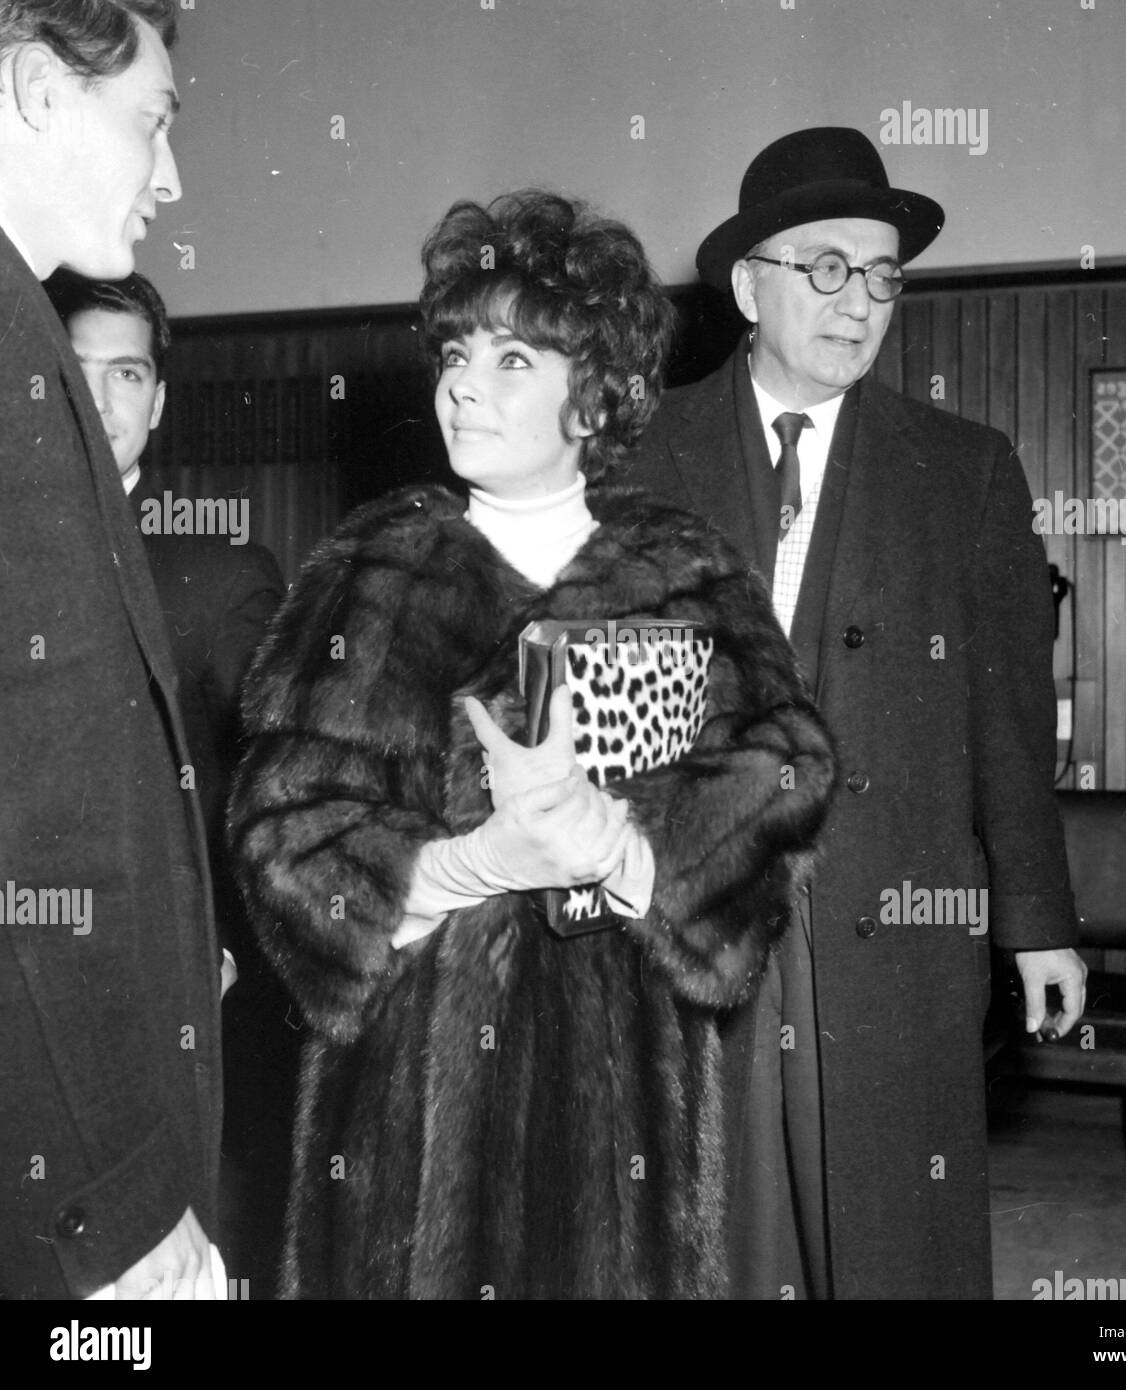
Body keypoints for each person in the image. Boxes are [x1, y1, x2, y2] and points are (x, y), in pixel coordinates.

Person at [227, 189, 836, 1299]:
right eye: (457, 349)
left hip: (624, 1130)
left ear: (594, 397)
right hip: (405, 1123)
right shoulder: (374, 572)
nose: (464, 379)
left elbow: (791, 764)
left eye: (513, 359)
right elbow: (280, 824)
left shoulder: (685, 571)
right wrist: (468, 864)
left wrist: (626, 840)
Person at [628, 126, 1088, 1300]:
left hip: (897, 926)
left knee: (895, 1244)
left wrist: (1036, 917)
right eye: (827, 266)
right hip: (701, 926)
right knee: (714, 1244)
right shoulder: (641, 455)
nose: (861, 300)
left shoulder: (965, 469)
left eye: (882, 274)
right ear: (748, 285)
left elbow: (1010, 719)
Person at [0, 0, 222, 1299]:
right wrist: (121, 1213)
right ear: (37, 91)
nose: (173, 172)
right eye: (154, 120)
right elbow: (39, 833)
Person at [51, 269, 293, 1285]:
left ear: (156, 398)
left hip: (170, 1007)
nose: (101, 402)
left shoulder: (220, 572)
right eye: (74, 371)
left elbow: (269, 789)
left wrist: (228, 950)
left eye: (127, 374)